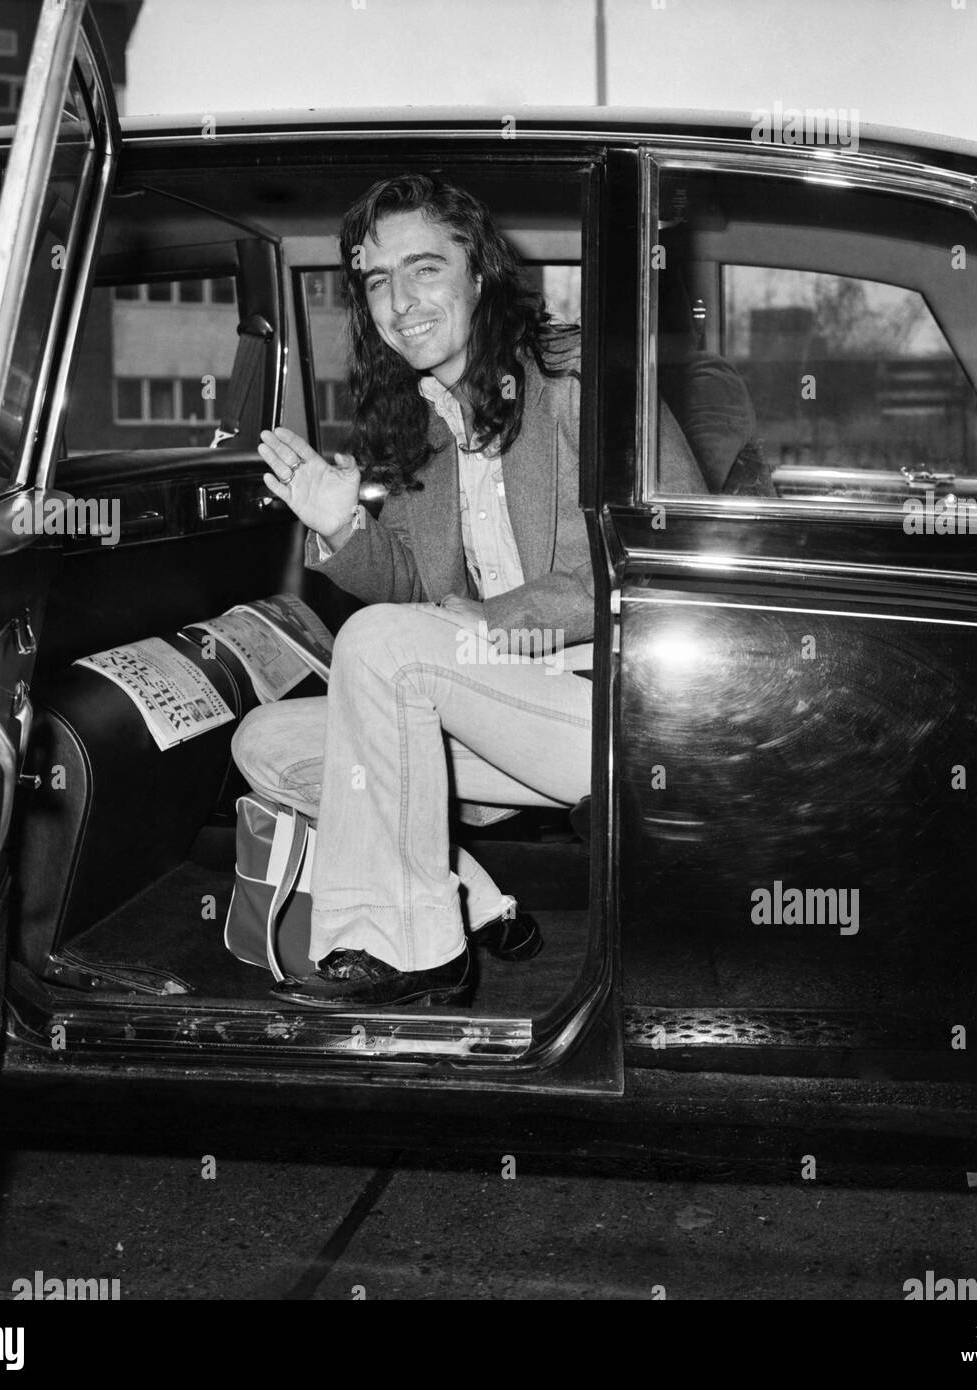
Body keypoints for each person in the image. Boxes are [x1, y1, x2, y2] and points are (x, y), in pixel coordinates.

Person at [231, 174, 701, 1009]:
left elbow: (657, 561)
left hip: (619, 711)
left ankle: (408, 951)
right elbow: (412, 588)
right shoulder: (422, 424)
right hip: (501, 710)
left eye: (423, 269)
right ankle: (472, 904)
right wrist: (342, 530)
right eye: (376, 281)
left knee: (376, 643)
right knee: (267, 742)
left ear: (480, 273)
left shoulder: (579, 379)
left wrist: (485, 621)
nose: (398, 301)